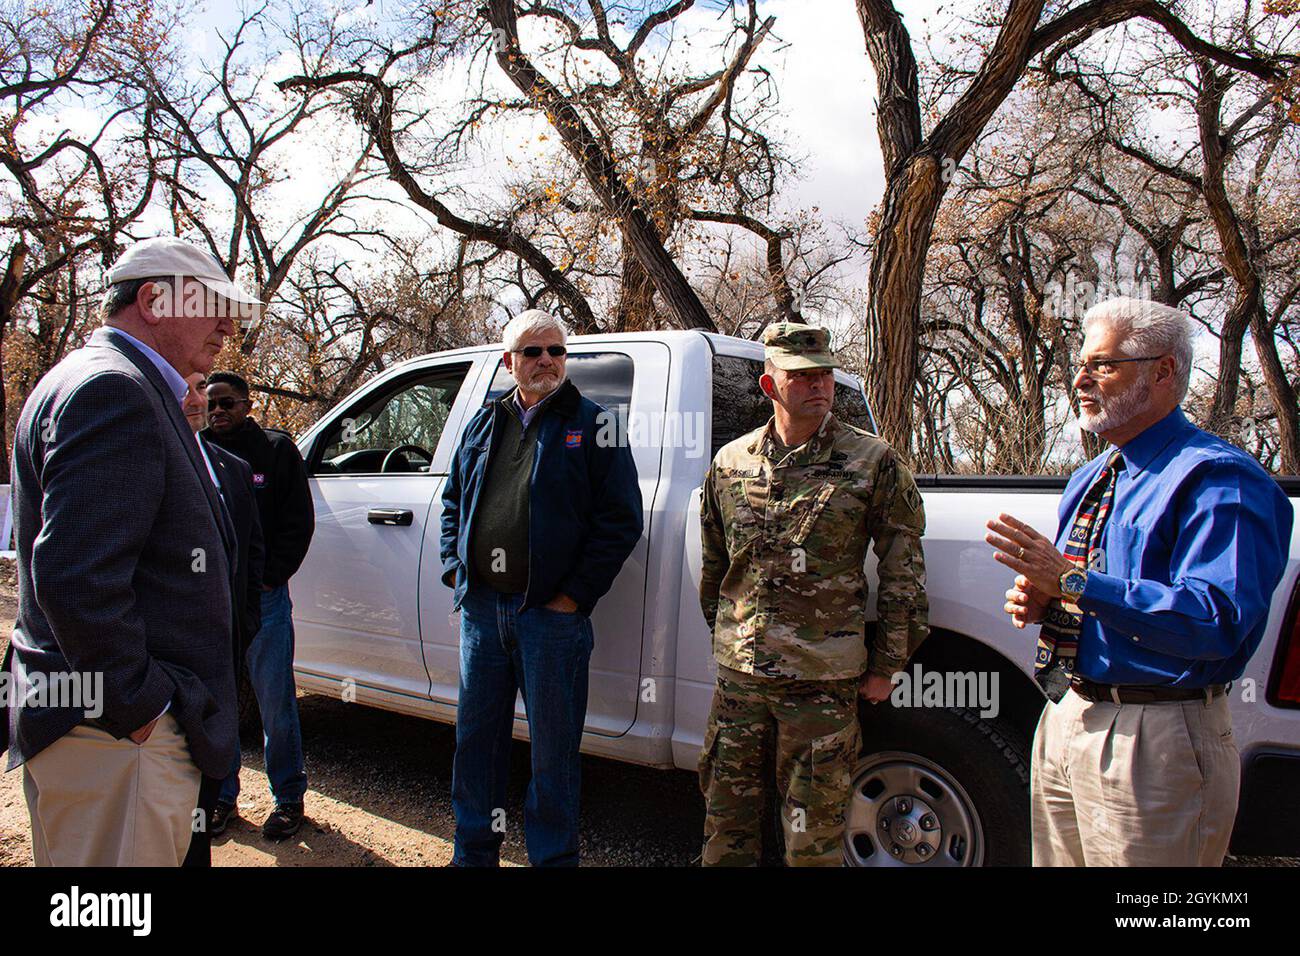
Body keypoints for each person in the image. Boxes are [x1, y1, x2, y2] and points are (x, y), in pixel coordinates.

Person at [986, 297, 1293, 867]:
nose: (1080, 379)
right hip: (1064, 715)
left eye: (1103, 365)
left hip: (1158, 737)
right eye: (1080, 364)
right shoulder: (1092, 476)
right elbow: (1090, 590)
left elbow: (1216, 620)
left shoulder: (1219, 479)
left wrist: (1074, 584)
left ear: (1163, 371)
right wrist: (1047, 601)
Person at [2, 235, 259, 865]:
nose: (228, 326)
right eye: (214, 305)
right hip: (116, 740)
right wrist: (143, 707)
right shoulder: (113, 390)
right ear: (154, 299)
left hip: (109, 734)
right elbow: (74, 579)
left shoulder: (98, 379)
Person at [697, 322, 929, 867]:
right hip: (739, 684)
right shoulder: (731, 462)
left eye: (824, 373)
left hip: (821, 684)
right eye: (802, 376)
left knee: (814, 837)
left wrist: (887, 664)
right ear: (770, 386)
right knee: (725, 826)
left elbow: (904, 570)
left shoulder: (872, 461)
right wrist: (727, 637)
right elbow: (715, 564)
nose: (819, 385)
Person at [440, 309, 643, 866]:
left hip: (550, 618)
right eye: (532, 352)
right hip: (483, 611)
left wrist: (572, 598)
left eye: (555, 350)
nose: (546, 361)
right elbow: (454, 501)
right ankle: (472, 853)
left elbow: (620, 520)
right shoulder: (485, 423)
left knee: (553, 755)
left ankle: (552, 860)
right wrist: (456, 569)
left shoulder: (596, 422)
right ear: (509, 362)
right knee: (475, 743)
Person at [200, 370, 315, 840]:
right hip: (212, 602)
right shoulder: (197, 451)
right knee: (218, 703)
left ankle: (289, 799)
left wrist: (270, 577)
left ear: (247, 404)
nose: (218, 411)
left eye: (227, 402)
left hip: (265, 600)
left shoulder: (276, 449)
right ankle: (221, 798)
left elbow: (299, 523)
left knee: (275, 703)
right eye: (212, 404)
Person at [180, 374, 264, 866]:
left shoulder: (233, 469)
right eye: (188, 391)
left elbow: (252, 554)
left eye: (204, 392)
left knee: (204, 786)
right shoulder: (149, 457)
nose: (199, 403)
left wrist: (246, 621)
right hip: (165, 668)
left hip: (222, 651)